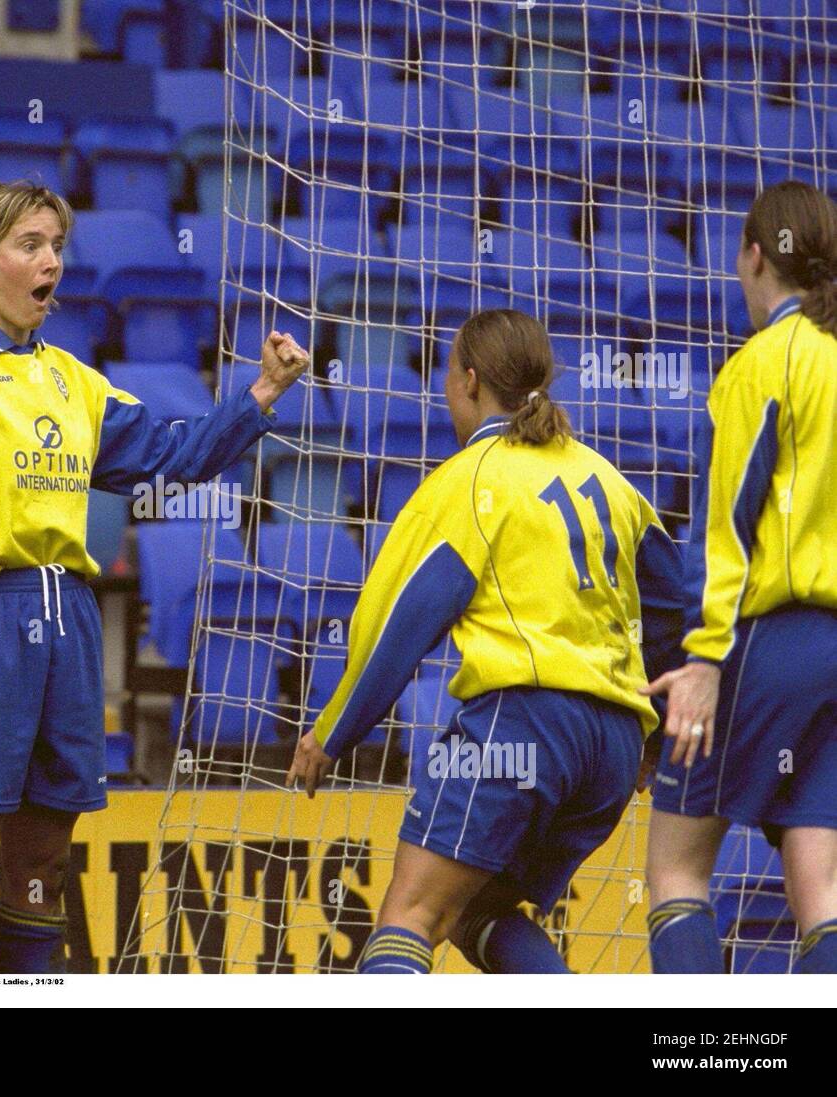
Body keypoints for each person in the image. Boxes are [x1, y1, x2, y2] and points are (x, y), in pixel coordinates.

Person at [0, 180, 309, 974]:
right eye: (30, 245)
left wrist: (260, 393)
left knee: (43, 878)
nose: (51, 261)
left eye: (56, 245)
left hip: (67, 623)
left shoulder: (74, 382)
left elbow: (174, 456)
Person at [287, 308, 684, 974]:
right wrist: (656, 733)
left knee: (411, 915)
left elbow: (392, 629)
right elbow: (673, 606)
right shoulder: (610, 481)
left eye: (446, 372)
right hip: (611, 749)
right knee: (476, 912)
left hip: (523, 724)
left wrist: (331, 732)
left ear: (469, 380)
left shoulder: (467, 482)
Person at [642, 181, 837, 975]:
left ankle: (703, 1059)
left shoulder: (763, 364)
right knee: (820, 887)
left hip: (768, 643)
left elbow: (724, 529)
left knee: (675, 871)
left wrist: (702, 660)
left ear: (753, 255)